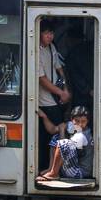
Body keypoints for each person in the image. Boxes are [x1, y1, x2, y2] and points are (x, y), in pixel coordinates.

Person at [36, 26, 71, 171]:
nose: (49, 36)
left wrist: (65, 87)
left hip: (55, 98)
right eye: (46, 32)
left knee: (55, 134)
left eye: (51, 32)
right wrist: (61, 93)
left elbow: (59, 68)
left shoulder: (51, 47)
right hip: (44, 100)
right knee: (47, 137)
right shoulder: (34, 50)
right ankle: (46, 167)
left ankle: (54, 168)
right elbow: (42, 79)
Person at [38, 105, 91, 181]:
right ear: (72, 120)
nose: (79, 124)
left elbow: (63, 147)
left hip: (79, 172)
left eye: (83, 121)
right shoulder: (71, 125)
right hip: (69, 166)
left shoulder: (83, 135)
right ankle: (51, 169)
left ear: (87, 121)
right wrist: (44, 116)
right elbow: (52, 129)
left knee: (64, 142)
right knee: (56, 137)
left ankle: (54, 174)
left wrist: (62, 130)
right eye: (76, 121)